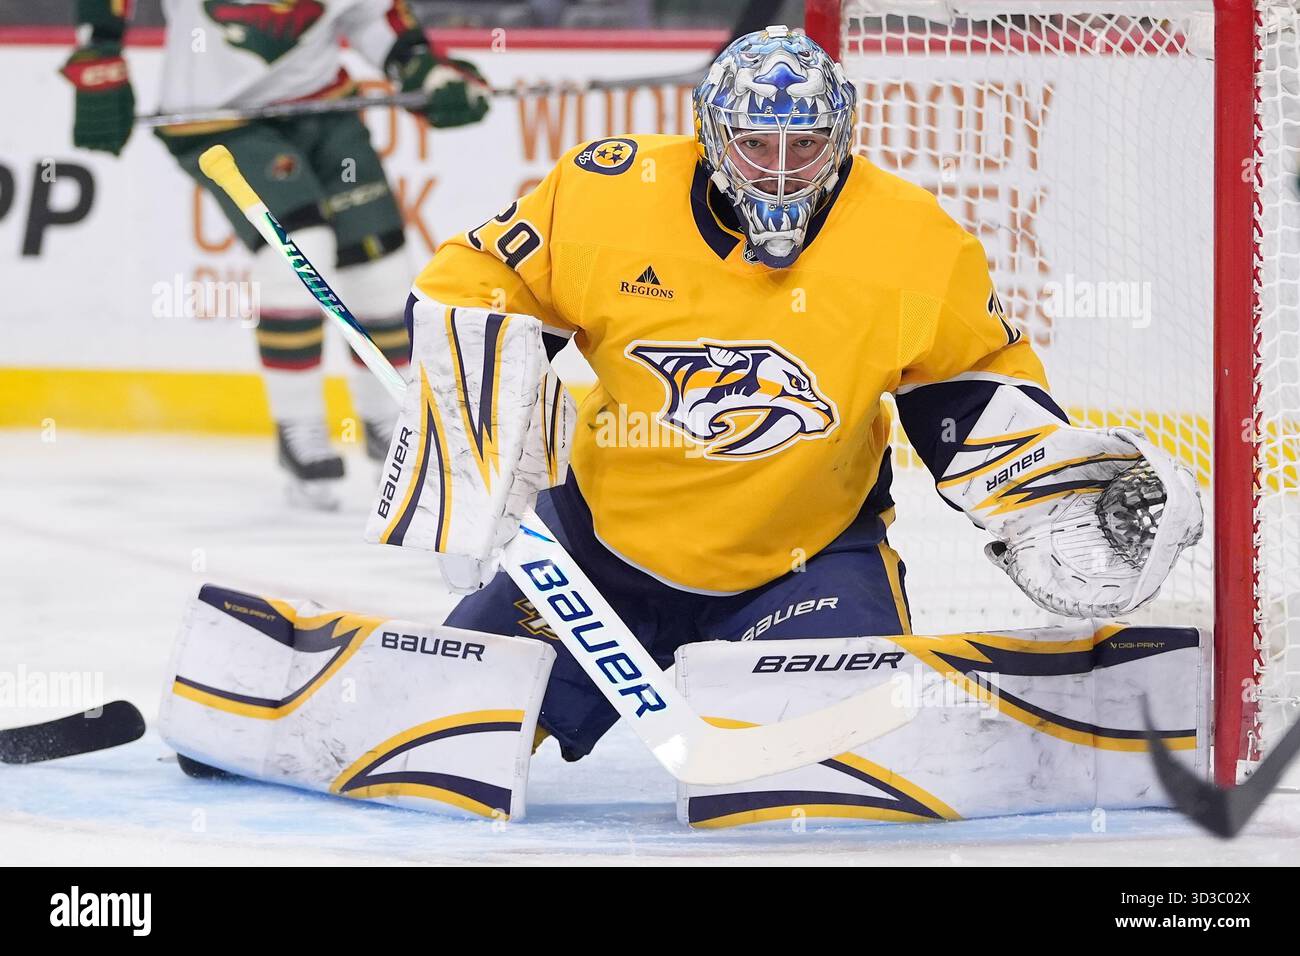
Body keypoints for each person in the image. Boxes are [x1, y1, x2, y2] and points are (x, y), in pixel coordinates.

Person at [397, 25, 1204, 763]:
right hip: (598, 557)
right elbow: (480, 287)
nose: (780, 168)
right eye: (754, 144)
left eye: (805, 144)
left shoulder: (914, 241)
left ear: (841, 136)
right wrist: (477, 454)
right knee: (447, 743)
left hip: (807, 567)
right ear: (712, 134)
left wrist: (1047, 500)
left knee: (835, 766)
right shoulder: (607, 193)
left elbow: (968, 385)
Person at [61, 0, 490, 508]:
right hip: (219, 120)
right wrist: (101, 44)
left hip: (324, 109)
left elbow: (373, 18)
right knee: (299, 250)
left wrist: (424, 70)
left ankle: (385, 421)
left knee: (381, 270)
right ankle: (299, 428)